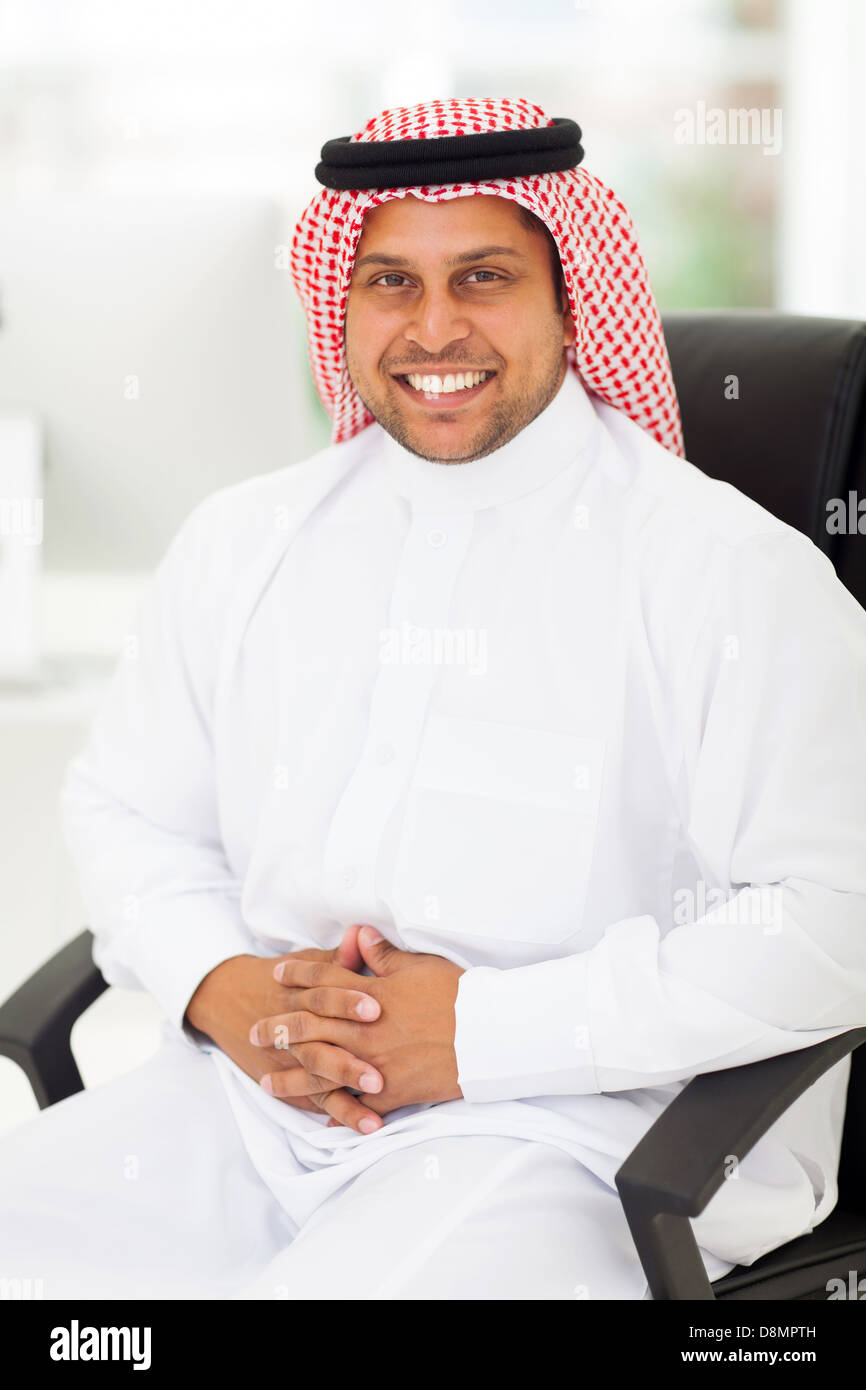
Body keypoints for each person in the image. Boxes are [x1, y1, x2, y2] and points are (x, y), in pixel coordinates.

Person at [2, 96, 865, 1301]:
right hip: (255, 1103)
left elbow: (827, 923)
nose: (433, 326)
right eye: (389, 282)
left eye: (482, 276)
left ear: (569, 295)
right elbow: (124, 810)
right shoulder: (244, 542)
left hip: (573, 1137)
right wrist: (227, 986)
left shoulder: (727, 575)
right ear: (337, 304)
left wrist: (467, 1036)